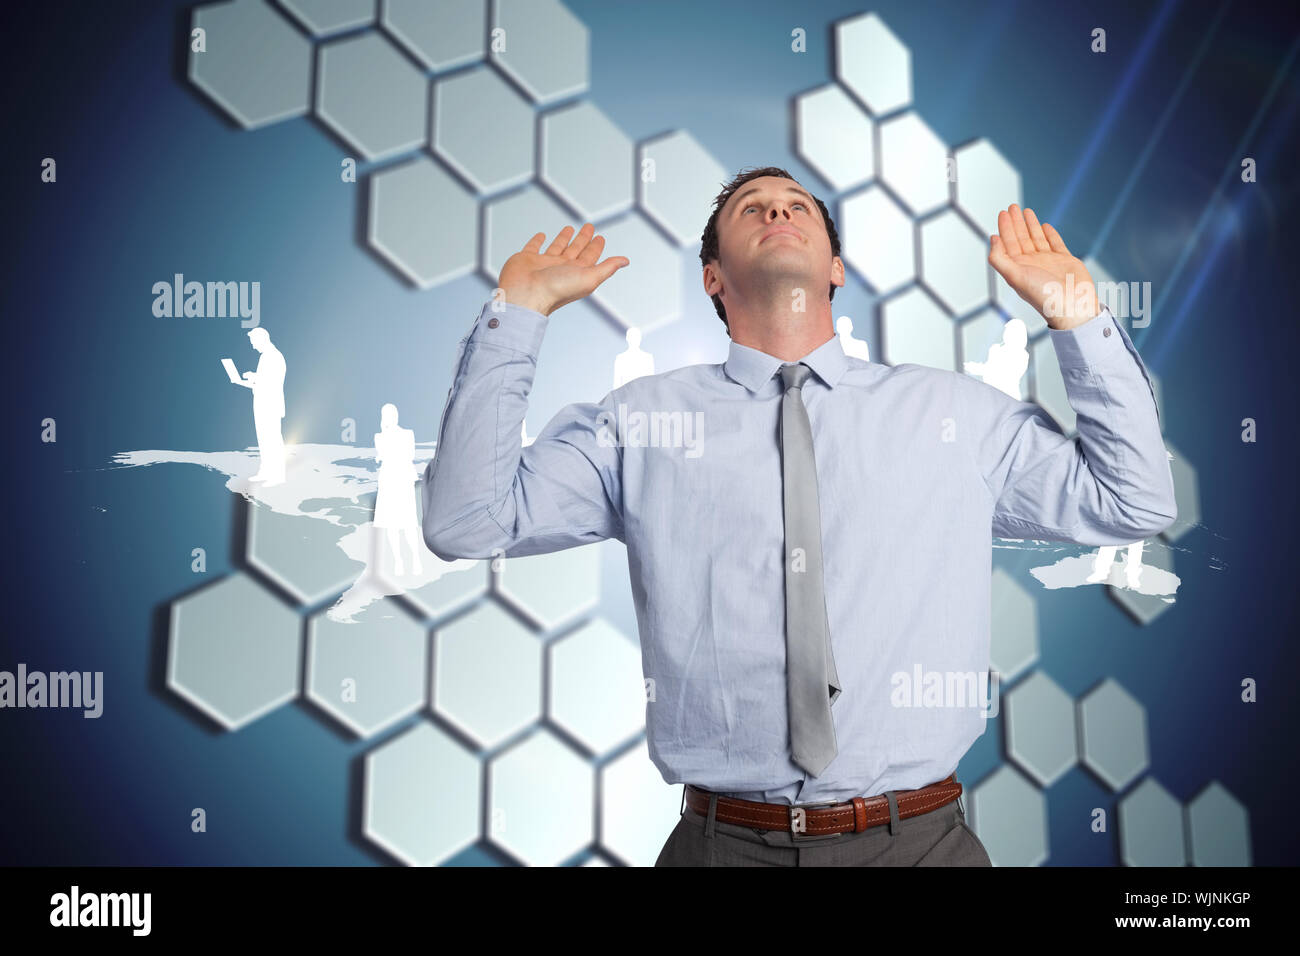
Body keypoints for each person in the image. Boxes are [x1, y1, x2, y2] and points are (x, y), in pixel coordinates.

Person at [421, 166, 1177, 867]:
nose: (778, 210)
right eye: (753, 208)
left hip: (918, 847)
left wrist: (1078, 315)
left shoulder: (953, 414)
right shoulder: (638, 424)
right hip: (721, 848)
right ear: (713, 277)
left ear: (837, 270)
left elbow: (1131, 498)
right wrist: (515, 318)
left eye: (798, 207)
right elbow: (468, 522)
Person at [373, 403, 423, 577]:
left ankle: (415, 559)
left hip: (401, 480)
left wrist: (386, 453)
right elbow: (383, 455)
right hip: (388, 481)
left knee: (408, 523)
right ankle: (398, 561)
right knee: (391, 525)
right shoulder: (379, 437)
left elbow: (409, 455)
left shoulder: (407, 434)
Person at [236, 327, 286, 486]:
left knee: (272, 440)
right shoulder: (266, 356)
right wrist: (252, 380)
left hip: (270, 405)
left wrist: (254, 377)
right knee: (264, 439)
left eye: (253, 342)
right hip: (262, 404)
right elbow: (265, 380)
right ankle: (265, 471)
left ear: (262, 339)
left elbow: (272, 382)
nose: (252, 346)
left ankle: (277, 476)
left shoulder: (274, 357)